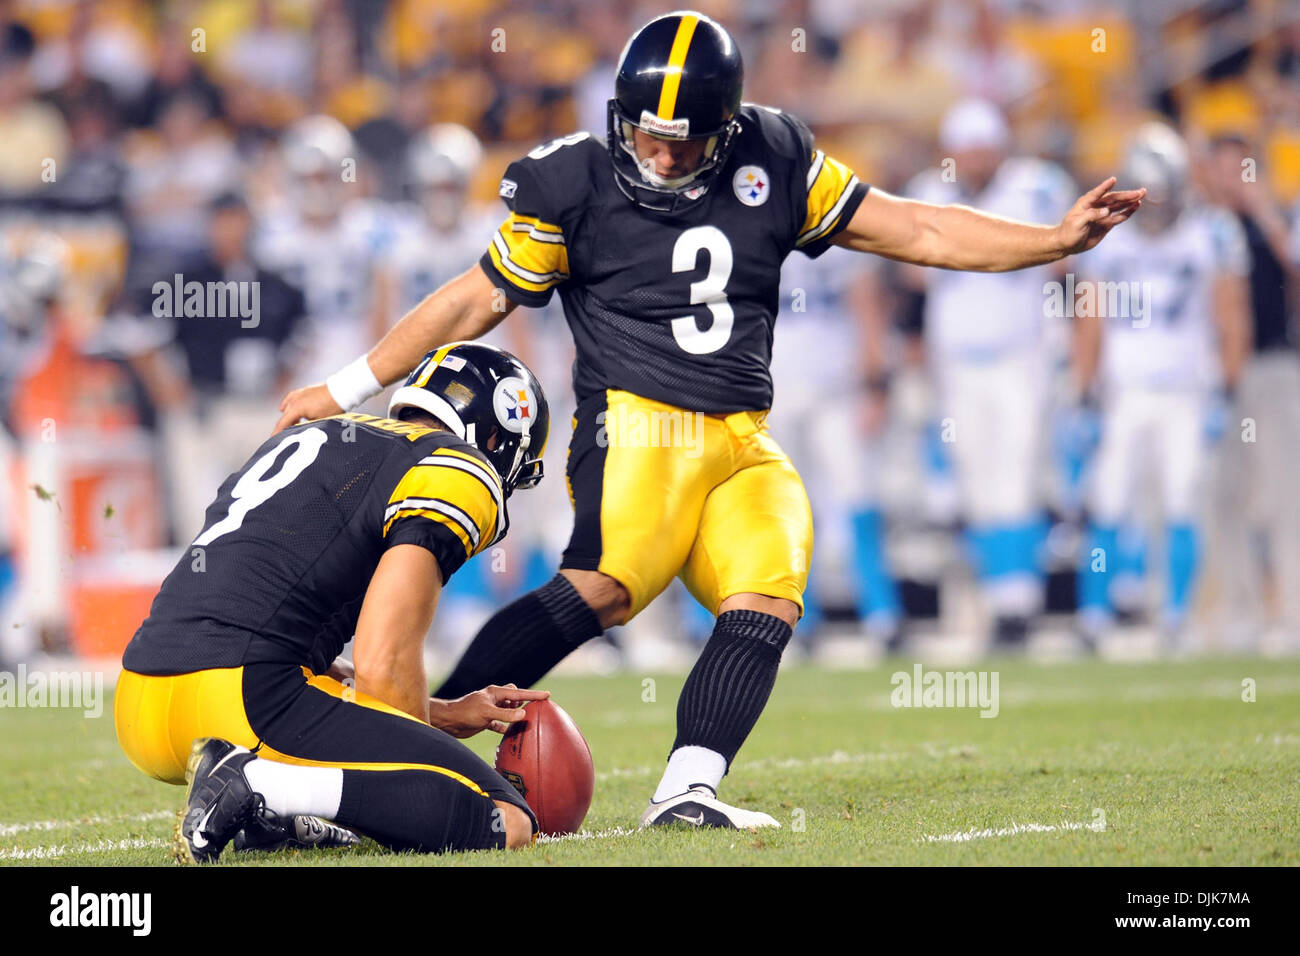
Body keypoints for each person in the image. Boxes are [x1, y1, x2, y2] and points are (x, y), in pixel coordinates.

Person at [275, 11, 1143, 830]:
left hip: (741, 432)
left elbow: (917, 229)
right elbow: (476, 299)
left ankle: (689, 786)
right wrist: (345, 385)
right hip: (637, 424)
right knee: (606, 585)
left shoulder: (777, 154)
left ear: (725, 128)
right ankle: (406, 758)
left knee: (770, 585)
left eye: (676, 137)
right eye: (642, 131)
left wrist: (1051, 241)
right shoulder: (574, 179)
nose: (654, 153)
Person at [115, 342, 552, 862]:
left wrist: (442, 714)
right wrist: (427, 780)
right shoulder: (455, 467)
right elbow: (381, 662)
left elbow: (291, 636)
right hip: (242, 700)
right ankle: (262, 786)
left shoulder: (321, 433)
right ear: (499, 436)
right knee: (506, 818)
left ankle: (271, 813)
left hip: (143, 703)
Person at [903, 98, 1078, 649]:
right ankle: (1001, 600)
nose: (976, 159)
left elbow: (1068, 265)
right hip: (956, 362)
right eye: (967, 148)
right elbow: (911, 280)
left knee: (1019, 475)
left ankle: (1018, 602)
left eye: (984, 147)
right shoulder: (929, 192)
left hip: (1021, 357)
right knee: (976, 483)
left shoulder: (1036, 188)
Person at [1073, 123, 1249, 648]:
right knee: (1106, 502)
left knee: (1180, 502)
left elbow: (1231, 317)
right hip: (1124, 391)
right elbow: (1091, 317)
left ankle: (1175, 616)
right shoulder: (1108, 235)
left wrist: (1226, 389)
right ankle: (1093, 616)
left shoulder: (1212, 231)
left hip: (1187, 393)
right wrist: (1084, 391)